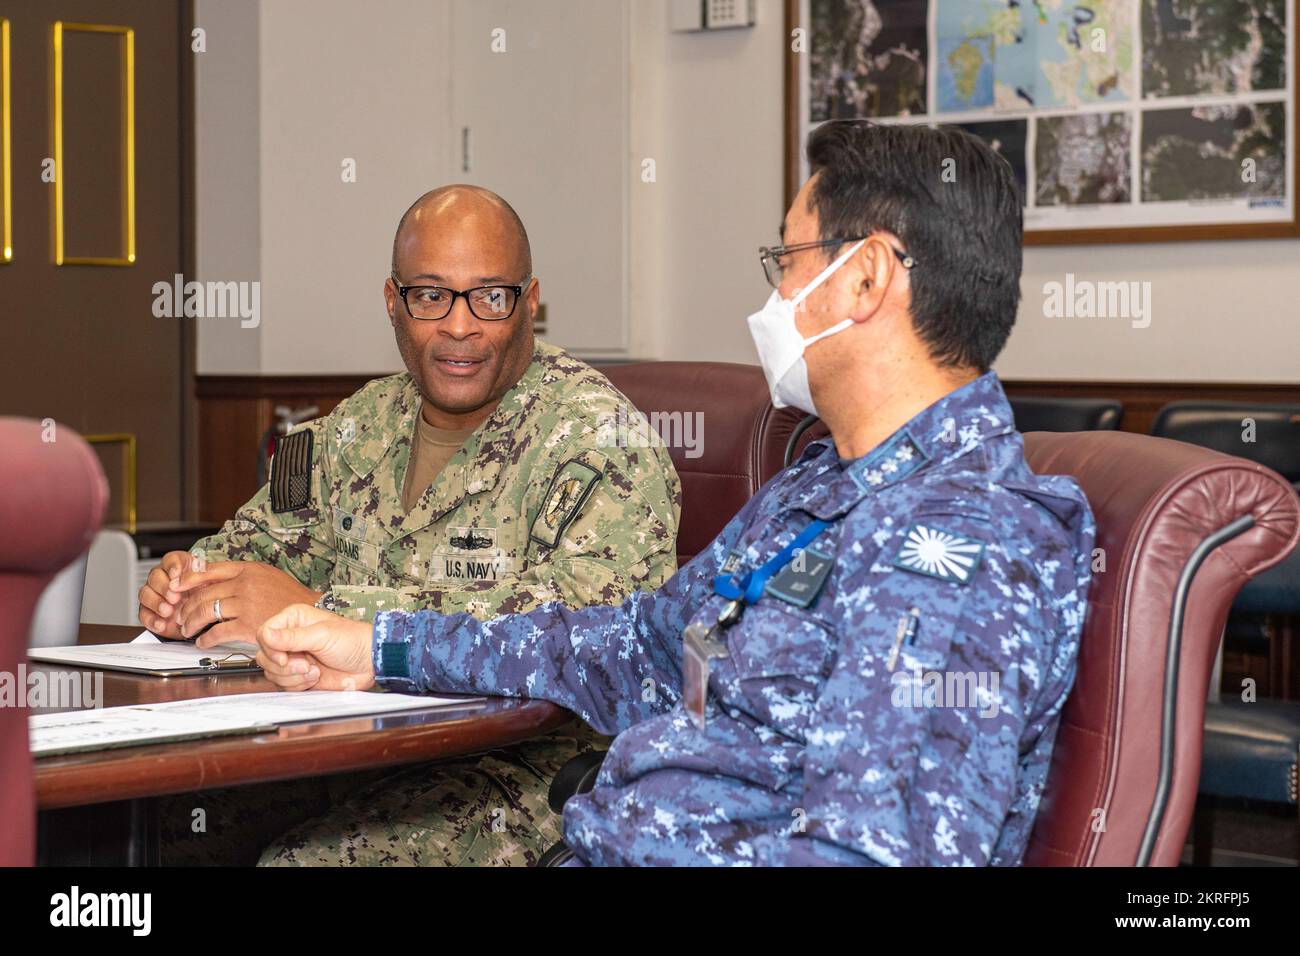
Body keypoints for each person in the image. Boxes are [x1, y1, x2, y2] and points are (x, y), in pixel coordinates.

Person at [254, 121, 1096, 866]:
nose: (772, 300)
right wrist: (384, 646)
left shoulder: (959, 546)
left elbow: (867, 854)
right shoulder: (822, 492)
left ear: (867, 279)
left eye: (787, 263)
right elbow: (637, 652)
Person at [138, 185, 681, 866]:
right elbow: (257, 547)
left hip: (527, 774)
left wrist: (325, 613)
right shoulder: (355, 426)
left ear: (530, 301)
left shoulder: (603, 441)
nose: (460, 327)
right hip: (342, 749)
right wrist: (192, 586)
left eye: (490, 297)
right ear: (393, 302)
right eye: (431, 295)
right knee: (141, 837)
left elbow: (593, 631)